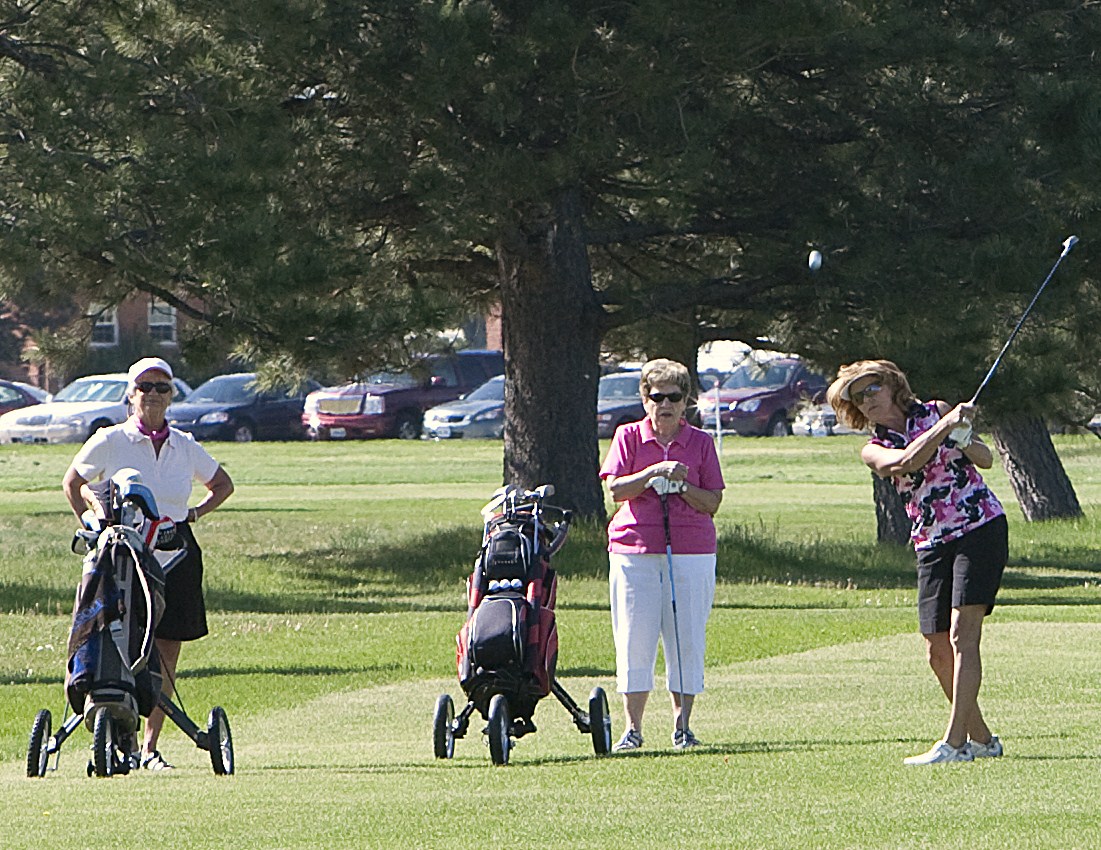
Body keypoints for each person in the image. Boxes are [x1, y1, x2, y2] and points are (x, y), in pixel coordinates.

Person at [827, 359, 1008, 765]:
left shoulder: (937, 410)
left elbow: (985, 459)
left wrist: (961, 432)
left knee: (964, 634)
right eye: (858, 397)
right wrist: (944, 429)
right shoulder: (874, 448)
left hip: (979, 526)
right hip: (930, 541)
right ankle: (982, 737)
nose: (867, 400)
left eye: (872, 389)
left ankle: (955, 742)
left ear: (891, 385)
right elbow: (905, 463)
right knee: (936, 650)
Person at [62, 357, 234, 771]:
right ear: (130, 394)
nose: (153, 395)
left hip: (174, 554)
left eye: (162, 388)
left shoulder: (184, 443)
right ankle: (120, 732)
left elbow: (222, 484)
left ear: (171, 396)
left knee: (166, 651)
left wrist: (192, 514)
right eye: (145, 387)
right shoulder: (110, 440)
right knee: (116, 643)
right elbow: (73, 483)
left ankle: (151, 747)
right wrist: (92, 522)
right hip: (121, 556)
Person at [598, 359, 724, 751]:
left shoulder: (701, 443)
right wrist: (655, 472)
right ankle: (632, 728)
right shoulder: (628, 437)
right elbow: (617, 490)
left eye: (674, 397)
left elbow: (713, 501)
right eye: (657, 397)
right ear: (644, 398)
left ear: (686, 401)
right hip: (634, 548)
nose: (665, 405)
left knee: (687, 636)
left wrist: (682, 485)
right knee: (634, 637)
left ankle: (682, 726)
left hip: (691, 551)